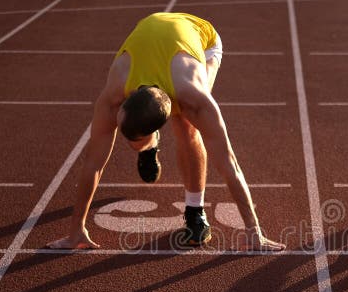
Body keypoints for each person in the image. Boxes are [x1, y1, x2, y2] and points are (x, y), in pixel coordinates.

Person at [48, 12, 284, 251]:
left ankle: (195, 212)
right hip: (153, 28)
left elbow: (229, 165)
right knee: (134, 136)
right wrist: (76, 229)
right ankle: (148, 146)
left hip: (202, 42)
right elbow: (93, 163)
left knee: (187, 127)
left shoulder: (194, 98)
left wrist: (253, 230)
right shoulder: (114, 96)